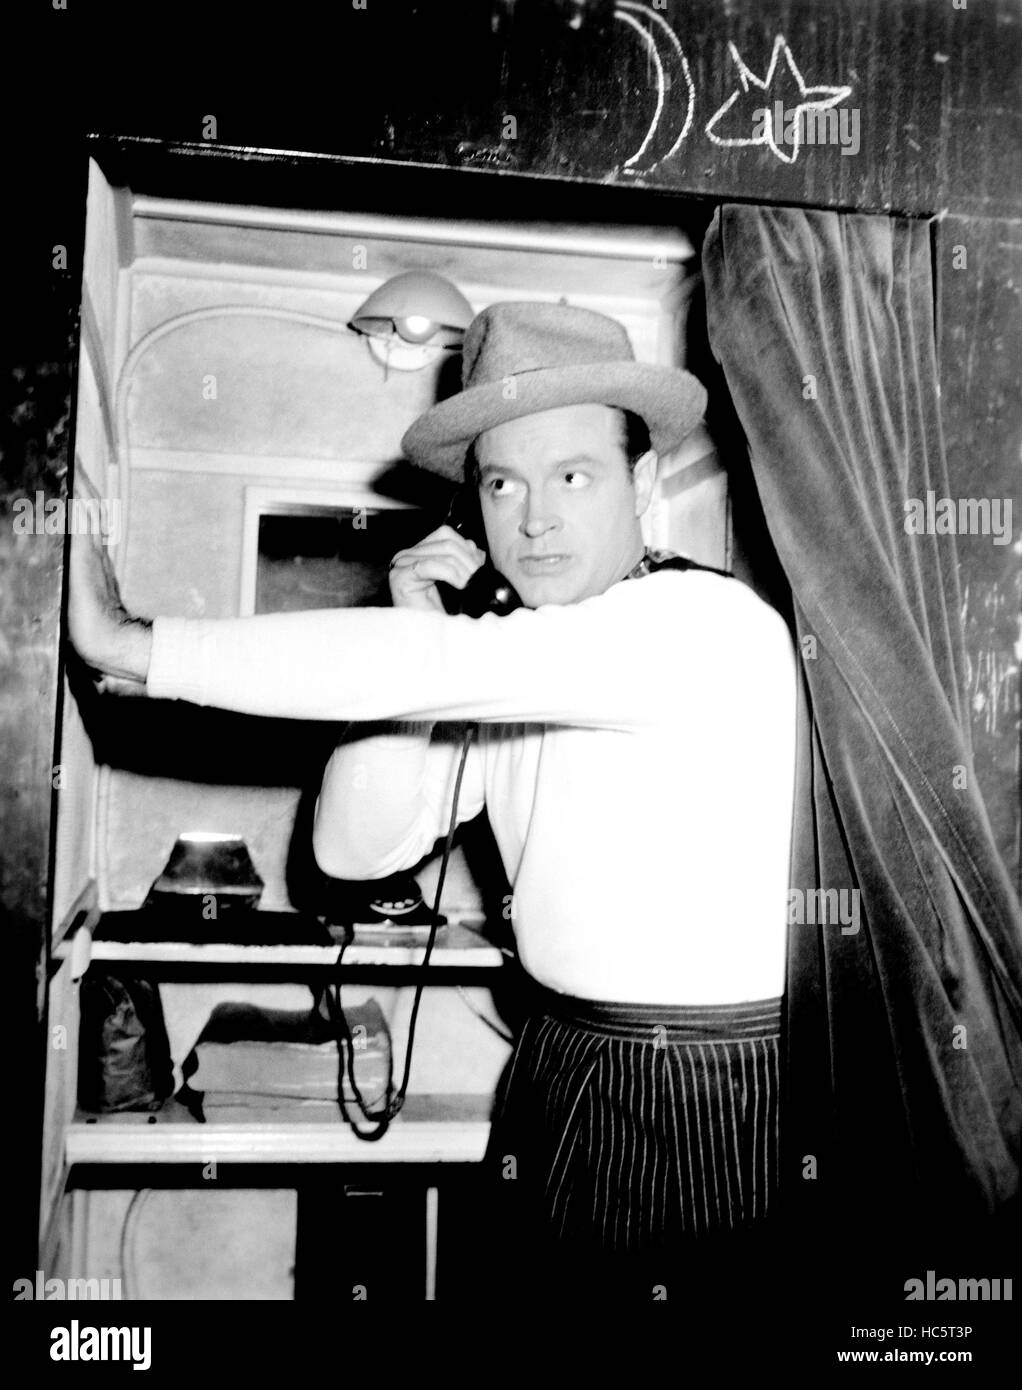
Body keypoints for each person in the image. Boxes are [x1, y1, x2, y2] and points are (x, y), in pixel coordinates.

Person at [70, 301, 797, 1301]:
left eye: (572, 476)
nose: (532, 517)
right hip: (561, 1059)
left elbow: (440, 674)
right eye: (501, 484)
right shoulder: (506, 664)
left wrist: (133, 643)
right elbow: (352, 850)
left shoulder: (697, 625)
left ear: (639, 483)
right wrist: (415, 627)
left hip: (696, 1086)